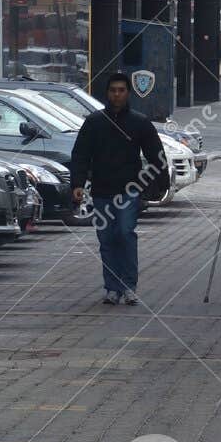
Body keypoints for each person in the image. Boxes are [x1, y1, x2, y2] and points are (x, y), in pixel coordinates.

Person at [69, 71, 170, 305]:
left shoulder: (139, 123)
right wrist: (77, 183)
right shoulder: (94, 123)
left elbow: (156, 155)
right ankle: (112, 288)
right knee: (106, 239)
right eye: (113, 90)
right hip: (102, 190)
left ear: (128, 93)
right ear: (107, 93)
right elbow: (81, 154)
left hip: (129, 190)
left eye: (121, 90)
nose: (117, 94)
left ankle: (129, 285)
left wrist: (158, 184)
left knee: (125, 233)